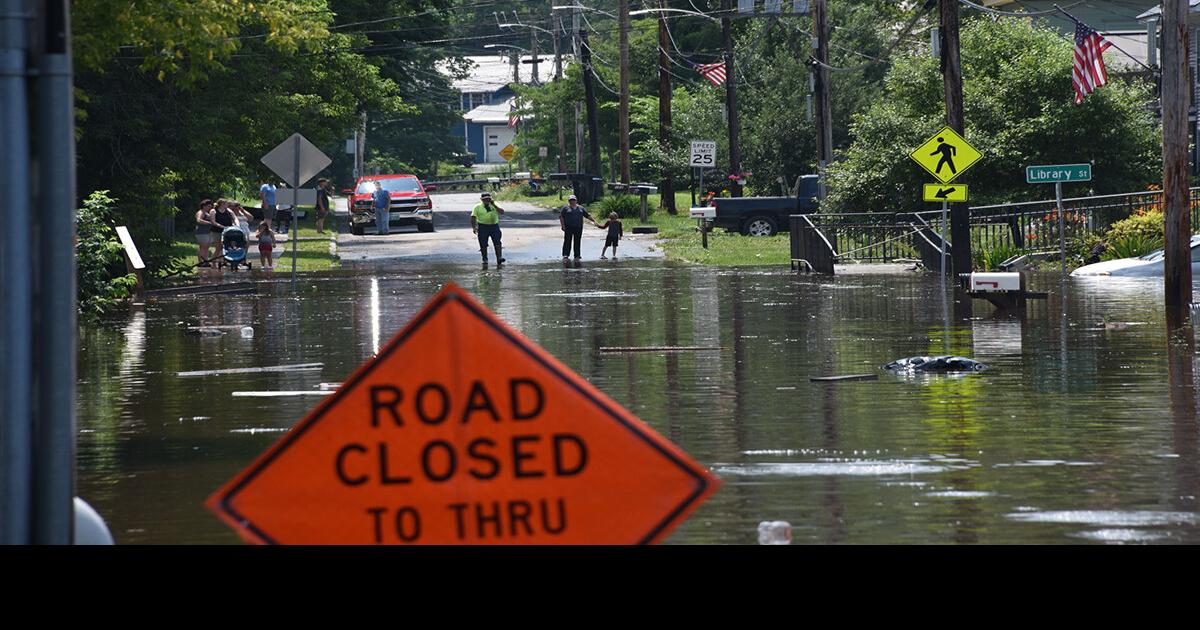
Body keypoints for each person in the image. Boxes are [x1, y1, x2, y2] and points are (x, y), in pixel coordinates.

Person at [470, 192, 505, 269]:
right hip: (483, 226)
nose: (487, 200)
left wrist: (494, 205)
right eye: (485, 199)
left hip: (494, 226)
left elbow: (502, 212)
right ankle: (485, 259)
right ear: (481, 200)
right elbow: (473, 217)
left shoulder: (495, 204)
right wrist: (474, 227)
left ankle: (499, 258)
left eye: (488, 199)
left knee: (497, 242)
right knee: (483, 243)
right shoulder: (477, 207)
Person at [559, 194, 596, 260]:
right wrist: (563, 226)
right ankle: (565, 254)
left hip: (578, 227)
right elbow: (561, 217)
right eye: (571, 200)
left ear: (576, 200)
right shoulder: (565, 208)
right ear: (569, 201)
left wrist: (594, 221)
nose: (572, 201)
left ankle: (577, 255)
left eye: (573, 200)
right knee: (567, 241)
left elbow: (587, 215)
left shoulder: (581, 208)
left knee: (577, 241)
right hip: (568, 227)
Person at [194, 199, 216, 267]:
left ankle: (205, 261)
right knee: (203, 247)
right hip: (201, 232)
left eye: (210, 206)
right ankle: (202, 262)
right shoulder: (201, 212)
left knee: (206, 247)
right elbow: (199, 220)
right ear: (203, 206)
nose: (210, 208)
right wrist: (209, 223)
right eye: (208, 206)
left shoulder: (206, 212)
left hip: (207, 232)